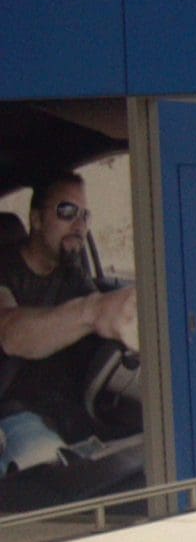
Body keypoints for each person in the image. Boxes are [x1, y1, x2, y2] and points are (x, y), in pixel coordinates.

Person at [0, 173, 139, 450]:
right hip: (14, 413)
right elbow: (9, 331)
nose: (79, 225)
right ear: (36, 219)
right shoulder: (5, 266)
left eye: (85, 215)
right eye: (67, 211)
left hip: (69, 412)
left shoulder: (71, 274)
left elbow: (106, 318)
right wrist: (92, 311)